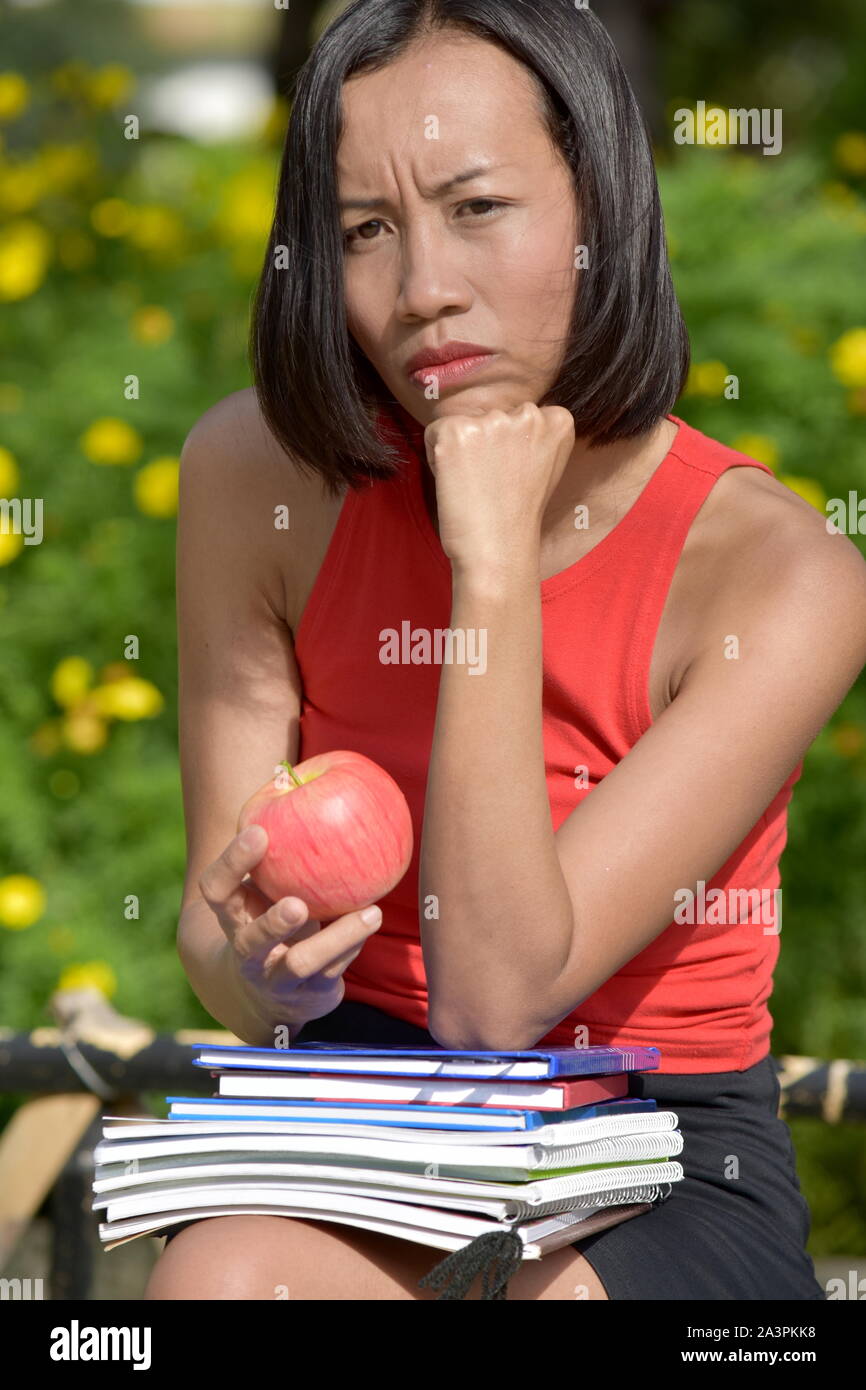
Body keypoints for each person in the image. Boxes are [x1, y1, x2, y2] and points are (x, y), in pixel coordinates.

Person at [145, 0, 866, 1300]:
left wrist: (489, 567)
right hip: (365, 1102)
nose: (424, 288)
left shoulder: (782, 574)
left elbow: (495, 999)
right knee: (225, 1276)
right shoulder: (256, 475)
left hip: (650, 1138)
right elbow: (214, 931)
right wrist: (264, 977)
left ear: (601, 205)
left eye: (477, 207)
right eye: (364, 230)